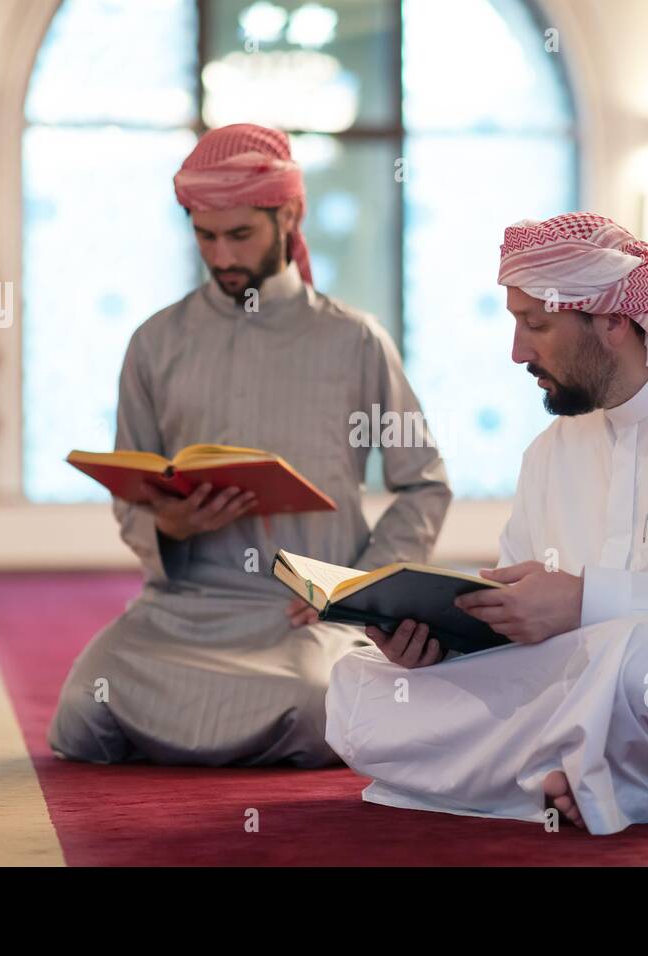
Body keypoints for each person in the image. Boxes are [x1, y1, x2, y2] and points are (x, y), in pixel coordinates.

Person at [324, 212, 648, 834]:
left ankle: (569, 773)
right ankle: (576, 771)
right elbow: (526, 633)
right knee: (360, 685)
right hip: (587, 692)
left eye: (537, 325)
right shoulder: (551, 452)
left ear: (610, 320)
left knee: (638, 659)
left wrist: (585, 601)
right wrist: (440, 649)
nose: (518, 351)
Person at [48, 124, 452, 767]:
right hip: (178, 611)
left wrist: (358, 587)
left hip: (302, 618)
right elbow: (132, 496)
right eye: (205, 236)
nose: (222, 256)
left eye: (241, 235)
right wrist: (170, 526)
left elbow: (423, 482)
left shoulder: (355, 341)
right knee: (85, 713)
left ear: (288, 215)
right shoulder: (155, 342)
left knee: (317, 704)